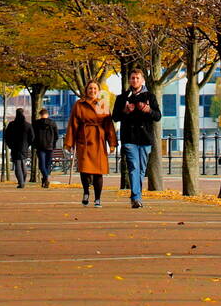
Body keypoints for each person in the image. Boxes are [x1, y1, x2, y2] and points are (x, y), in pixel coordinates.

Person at [111, 67, 162, 209]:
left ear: (142, 80)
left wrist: (148, 110)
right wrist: (125, 111)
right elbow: (115, 117)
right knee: (133, 167)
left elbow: (158, 116)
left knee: (141, 169)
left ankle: (137, 194)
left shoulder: (150, 97)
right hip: (129, 138)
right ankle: (136, 197)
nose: (134, 80)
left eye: (137, 78)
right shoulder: (122, 98)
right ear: (129, 80)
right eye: (132, 78)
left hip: (145, 138)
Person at [64, 80, 117, 207]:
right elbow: (73, 124)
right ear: (86, 90)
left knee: (99, 170)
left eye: (95, 89)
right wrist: (69, 143)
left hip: (98, 140)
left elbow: (108, 124)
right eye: (90, 89)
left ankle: (98, 198)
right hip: (84, 139)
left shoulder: (102, 103)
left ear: (98, 91)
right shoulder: (79, 104)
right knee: (84, 169)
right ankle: (86, 192)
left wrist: (112, 143)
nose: (92, 91)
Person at [4, 108, 35, 188]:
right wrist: (28, 144)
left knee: (17, 164)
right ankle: (23, 180)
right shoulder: (27, 125)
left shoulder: (12, 125)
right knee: (23, 163)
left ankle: (21, 182)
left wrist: (10, 145)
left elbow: (6, 136)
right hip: (24, 147)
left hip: (14, 147)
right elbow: (32, 137)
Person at [32, 107, 59, 188]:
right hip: (50, 146)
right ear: (47, 114)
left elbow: (33, 135)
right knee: (48, 164)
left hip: (40, 146)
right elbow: (56, 135)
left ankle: (45, 178)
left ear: (40, 115)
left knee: (41, 164)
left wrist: (34, 144)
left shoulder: (36, 123)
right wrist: (53, 143)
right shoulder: (53, 123)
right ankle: (46, 178)